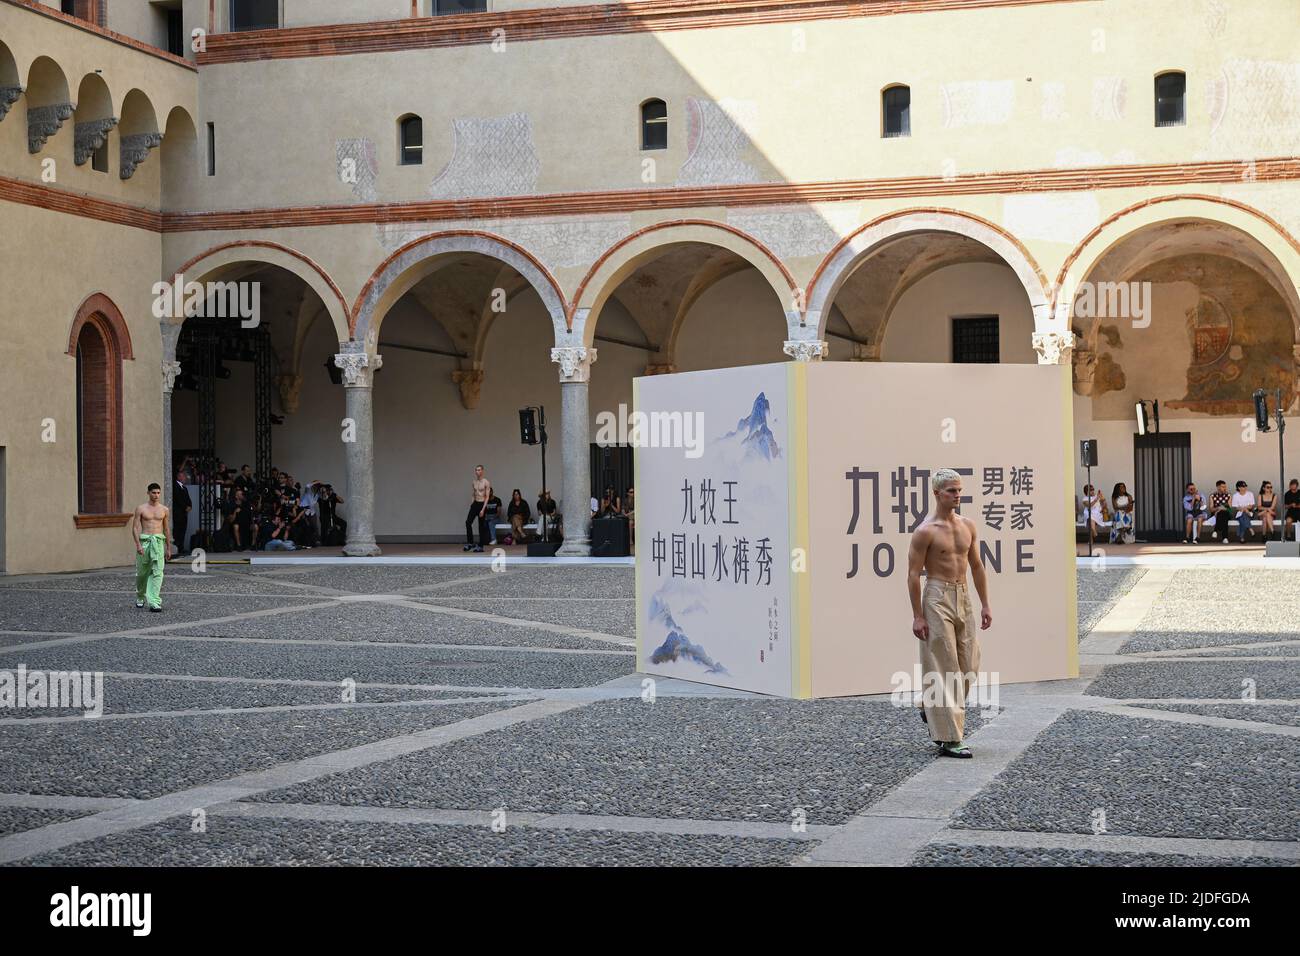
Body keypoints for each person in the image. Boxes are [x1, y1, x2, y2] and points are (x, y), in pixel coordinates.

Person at [906, 468, 992, 759]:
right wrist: (918, 615)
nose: (957, 495)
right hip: (936, 595)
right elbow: (913, 575)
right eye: (951, 491)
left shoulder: (968, 525)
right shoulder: (925, 531)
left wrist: (985, 604)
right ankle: (951, 738)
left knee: (969, 664)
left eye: (959, 490)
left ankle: (929, 706)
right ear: (936, 493)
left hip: (963, 594)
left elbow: (977, 565)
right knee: (945, 667)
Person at [132, 482, 171, 612]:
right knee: (142, 573)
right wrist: (138, 544)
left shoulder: (164, 509)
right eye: (154, 492)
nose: (156, 495)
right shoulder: (141, 508)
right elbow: (135, 527)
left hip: (158, 542)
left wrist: (168, 547)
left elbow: (166, 529)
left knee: (158, 572)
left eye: (158, 493)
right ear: (148, 493)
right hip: (145, 541)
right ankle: (140, 595)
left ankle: (154, 601)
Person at [464, 464, 492, 553]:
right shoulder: (474, 482)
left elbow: (487, 497)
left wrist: (483, 509)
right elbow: (473, 493)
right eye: (476, 470)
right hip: (475, 504)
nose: (478, 471)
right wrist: (472, 503)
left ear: (482, 471)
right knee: (468, 522)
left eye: (479, 470)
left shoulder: (486, 482)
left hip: (482, 504)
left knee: (481, 526)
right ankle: (470, 542)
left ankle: (480, 546)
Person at [173, 469, 193, 554]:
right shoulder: (175, 486)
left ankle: (181, 547)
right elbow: (178, 499)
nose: (185, 478)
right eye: (183, 476)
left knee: (183, 530)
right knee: (177, 530)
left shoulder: (184, 487)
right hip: (178, 513)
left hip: (184, 513)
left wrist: (190, 506)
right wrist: (185, 507)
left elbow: (188, 499)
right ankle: (177, 547)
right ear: (179, 477)